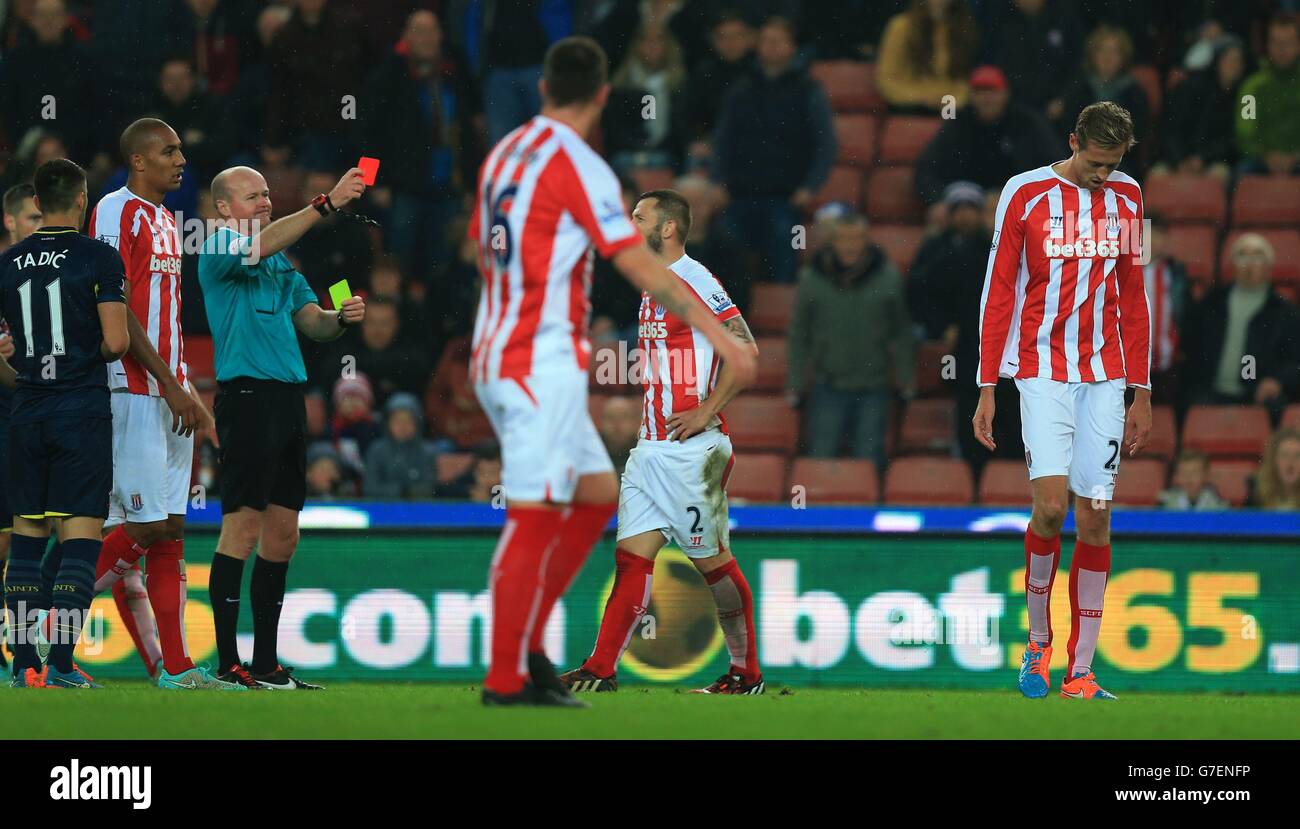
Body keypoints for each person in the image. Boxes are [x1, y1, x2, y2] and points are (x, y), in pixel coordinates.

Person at [470, 36, 755, 707]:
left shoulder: (503, 155)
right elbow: (634, 263)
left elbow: (487, 250)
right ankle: (508, 676)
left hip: (510, 345)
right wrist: (727, 339)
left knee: (594, 493)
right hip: (536, 358)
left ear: (542, 88)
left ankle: (542, 653)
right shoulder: (582, 164)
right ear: (603, 95)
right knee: (536, 514)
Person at [973, 102, 1152, 702]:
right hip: (1041, 371)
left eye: (1115, 164)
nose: (1105, 175)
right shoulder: (1024, 193)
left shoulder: (1129, 199)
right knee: (1050, 508)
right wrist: (986, 384)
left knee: (1096, 515)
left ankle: (1082, 671)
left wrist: (1142, 389)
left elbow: (1133, 294)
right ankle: (1038, 643)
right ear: (1073, 141)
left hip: (1104, 376)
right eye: (1097, 163)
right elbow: (999, 287)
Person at [559, 188, 764, 695]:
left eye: (639, 215)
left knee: (713, 565)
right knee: (631, 559)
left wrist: (706, 411)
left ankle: (747, 673)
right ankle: (601, 668)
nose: (630, 222)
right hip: (649, 450)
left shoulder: (694, 279)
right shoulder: (652, 283)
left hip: (691, 454)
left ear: (668, 228)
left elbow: (747, 350)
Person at [198, 162, 367, 689]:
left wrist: (341, 318)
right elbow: (260, 243)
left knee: (283, 535)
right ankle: (228, 664)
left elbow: (313, 323)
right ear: (224, 208)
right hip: (247, 398)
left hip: (287, 401)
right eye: (252, 196)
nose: (265, 201)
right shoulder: (218, 246)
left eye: (267, 193)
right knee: (242, 527)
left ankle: (267, 665)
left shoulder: (281, 264)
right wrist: (326, 202)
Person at [88, 118, 228, 691]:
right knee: (142, 526)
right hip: (130, 387)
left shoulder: (169, 220)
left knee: (170, 527)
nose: (181, 159)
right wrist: (169, 383)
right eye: (169, 150)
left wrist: (187, 386)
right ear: (138, 160)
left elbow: (167, 318)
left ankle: (177, 668)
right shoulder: (114, 211)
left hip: (170, 389)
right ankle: (39, 622)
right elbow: (115, 309)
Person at [0, 159, 129, 688]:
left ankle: (22, 662)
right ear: (80, 199)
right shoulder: (99, 257)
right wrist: (79, 356)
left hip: (26, 411)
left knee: (27, 538)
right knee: (79, 540)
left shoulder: (8, 263)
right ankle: (60, 664)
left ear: (38, 201)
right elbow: (118, 342)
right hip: (80, 409)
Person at [713, 16, 835, 283]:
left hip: (785, 198)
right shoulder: (741, 89)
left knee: (785, 253)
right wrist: (718, 182)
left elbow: (825, 144)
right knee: (724, 254)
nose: (770, 47)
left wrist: (810, 187)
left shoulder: (808, 90)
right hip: (739, 195)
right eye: (766, 41)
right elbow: (722, 140)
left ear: (792, 47)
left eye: (777, 41)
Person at [788, 212, 914, 468]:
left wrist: (906, 378)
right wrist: (795, 382)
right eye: (843, 239)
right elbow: (799, 333)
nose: (850, 246)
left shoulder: (888, 277)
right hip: (828, 384)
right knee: (820, 457)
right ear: (832, 242)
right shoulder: (812, 279)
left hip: (874, 385)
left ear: (866, 241)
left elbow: (901, 331)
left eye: (856, 239)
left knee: (868, 459)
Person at [1181, 233, 1300, 419]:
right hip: (1209, 392)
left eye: (1257, 255)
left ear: (1269, 265)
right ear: (1234, 264)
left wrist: (1277, 380)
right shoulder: (1210, 304)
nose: (1250, 262)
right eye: (1243, 255)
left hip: (1258, 394)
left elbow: (1295, 361)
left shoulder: (1285, 312)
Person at [913, 65, 1058, 214]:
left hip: (1016, 203)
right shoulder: (957, 124)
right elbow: (926, 170)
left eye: (993, 92)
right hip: (964, 201)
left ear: (1005, 94)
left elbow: (1055, 167)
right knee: (938, 216)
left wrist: (1017, 198)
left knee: (998, 216)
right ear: (971, 96)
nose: (987, 99)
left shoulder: (1027, 124)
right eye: (980, 92)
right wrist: (941, 199)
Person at [1052, 26, 1151, 176]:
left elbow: (1137, 136)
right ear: (1093, 56)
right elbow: (1067, 131)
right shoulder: (1078, 90)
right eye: (1102, 51)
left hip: (1121, 164)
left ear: (1123, 57)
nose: (1107, 57)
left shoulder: (1134, 93)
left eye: (1114, 52)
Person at [875, 0, 978, 113]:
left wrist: (953, 102)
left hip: (949, 108)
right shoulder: (901, 27)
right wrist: (919, 98)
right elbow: (887, 80)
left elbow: (965, 81)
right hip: (910, 107)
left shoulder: (962, 30)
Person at [1236, 13, 1300, 176]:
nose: (1282, 49)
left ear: (1298, 44)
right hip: (1261, 162)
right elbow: (1244, 131)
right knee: (1241, 174)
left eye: (1288, 43)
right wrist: (1266, 155)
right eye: (1276, 43)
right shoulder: (1251, 87)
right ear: (1268, 45)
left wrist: (1295, 156)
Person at [363, 392, 442, 498]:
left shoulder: (427, 451)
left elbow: (429, 487)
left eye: (408, 420)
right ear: (388, 423)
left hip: (417, 509)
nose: (402, 426)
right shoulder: (376, 450)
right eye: (397, 420)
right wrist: (402, 492)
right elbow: (370, 488)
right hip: (383, 509)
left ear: (417, 423)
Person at [1157, 450, 1228, 510]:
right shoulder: (1165, 503)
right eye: (1184, 473)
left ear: (1206, 475)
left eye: (1194, 473)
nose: (1188, 478)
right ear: (1177, 476)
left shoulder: (1218, 505)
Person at [1249, 428, 1300, 509]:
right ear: (1273, 460)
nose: (1291, 462)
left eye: (1297, 456)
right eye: (1285, 455)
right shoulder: (1256, 493)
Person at [597, 394, 640, 475]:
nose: (616, 423)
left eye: (623, 417)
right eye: (610, 417)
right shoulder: (593, 451)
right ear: (601, 422)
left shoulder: (642, 452)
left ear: (635, 422)